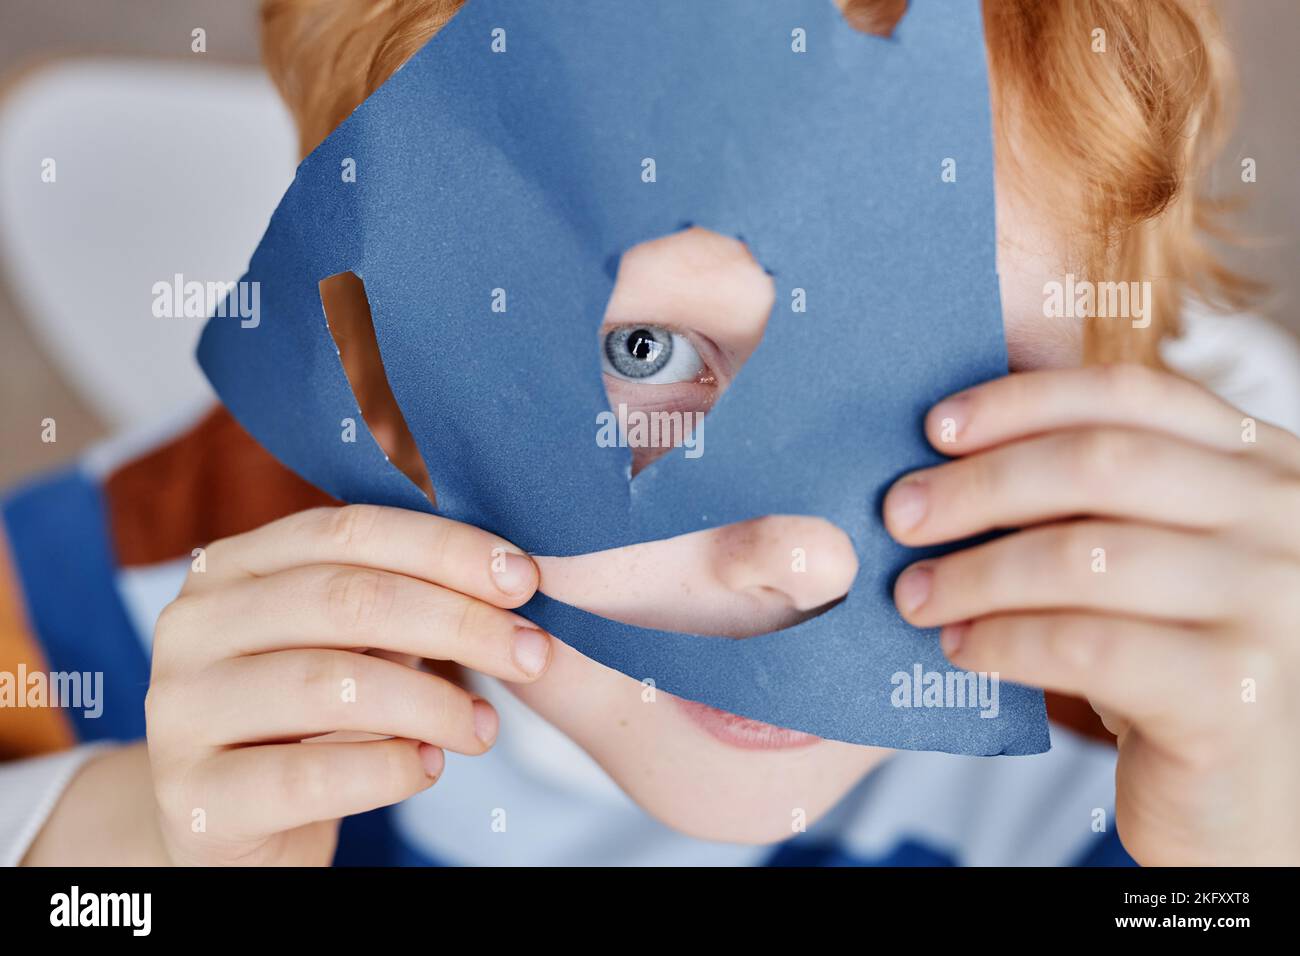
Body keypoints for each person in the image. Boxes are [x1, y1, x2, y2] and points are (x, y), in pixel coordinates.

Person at [4, 0, 1299, 866]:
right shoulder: (96, 630)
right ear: (388, 366)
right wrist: (124, 852)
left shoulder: (1191, 714)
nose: (795, 563)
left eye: (954, 374)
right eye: (651, 354)